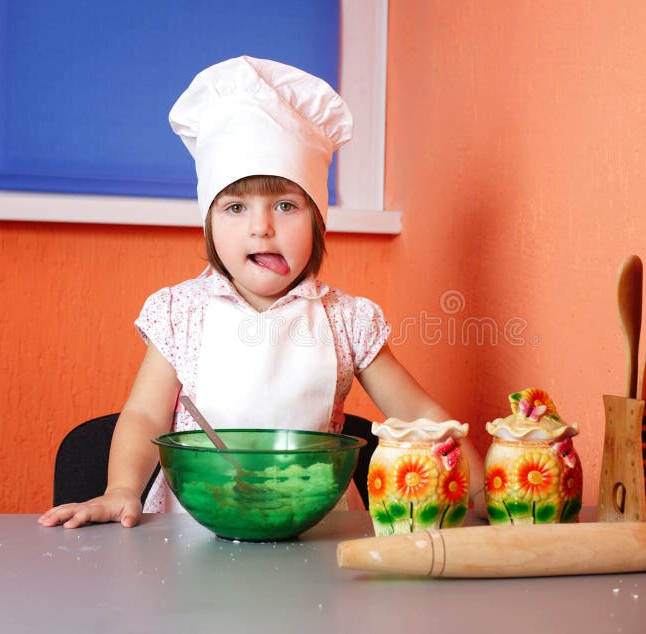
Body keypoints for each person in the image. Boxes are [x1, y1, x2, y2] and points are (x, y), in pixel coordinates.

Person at [39, 56, 486, 529]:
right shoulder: (179, 313)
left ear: (317, 222)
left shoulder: (348, 321)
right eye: (235, 207)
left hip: (316, 532)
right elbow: (146, 416)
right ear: (209, 226)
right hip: (192, 531)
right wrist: (121, 491)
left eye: (286, 205)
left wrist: (482, 497)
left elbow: (422, 417)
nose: (261, 228)